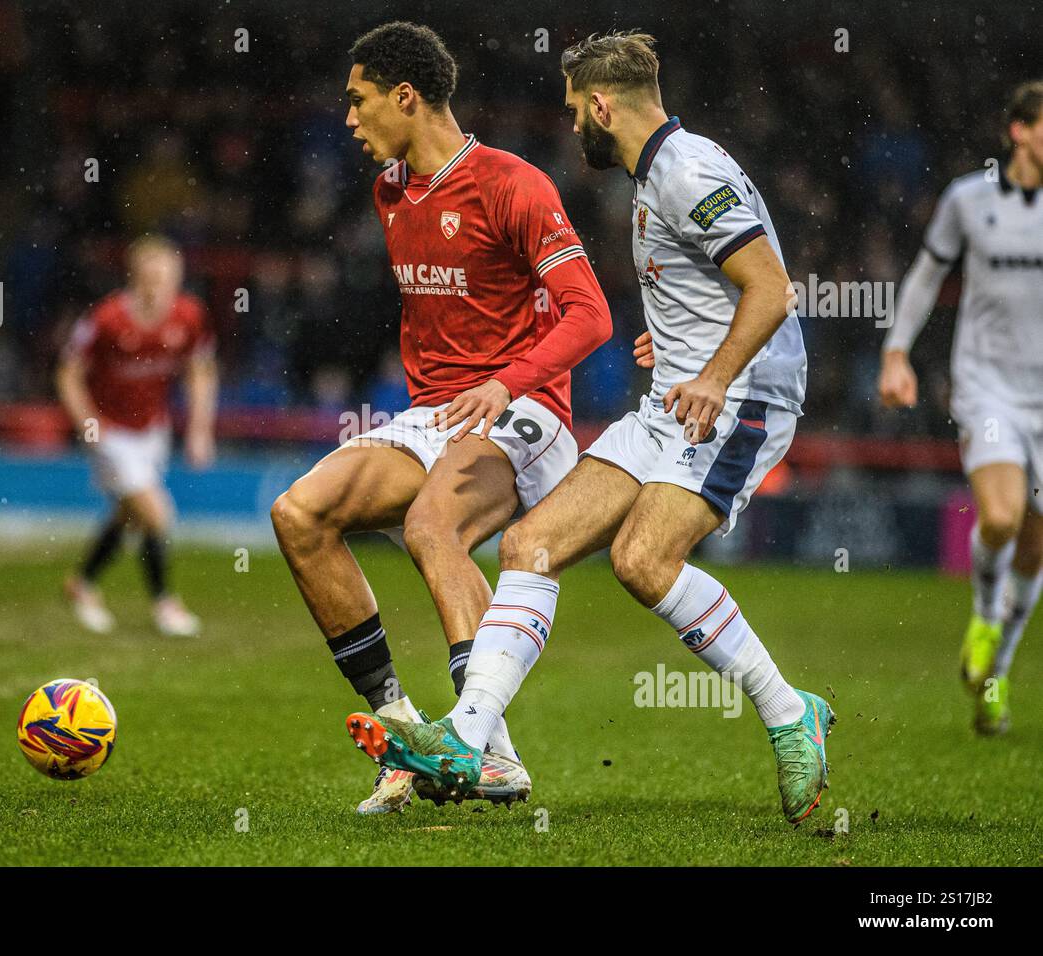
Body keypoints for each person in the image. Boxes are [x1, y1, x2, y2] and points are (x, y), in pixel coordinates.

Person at [347, 31, 834, 825]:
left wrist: (712, 373)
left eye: (577, 112)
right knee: (527, 546)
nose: (573, 127)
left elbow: (772, 289)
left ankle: (788, 711)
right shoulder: (658, 177)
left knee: (643, 560)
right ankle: (471, 738)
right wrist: (675, 341)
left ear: (603, 105)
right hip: (672, 401)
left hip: (739, 402)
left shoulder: (685, 171)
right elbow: (717, 283)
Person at [270, 22, 614, 813]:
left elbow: (589, 316)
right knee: (300, 514)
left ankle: (485, 747)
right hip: (436, 416)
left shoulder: (512, 184)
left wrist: (507, 382)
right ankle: (402, 736)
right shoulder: (390, 188)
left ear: (405, 96)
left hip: (527, 413)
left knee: (432, 527)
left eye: (358, 102)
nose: (348, 120)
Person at [879, 80, 1043, 734]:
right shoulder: (968, 201)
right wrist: (897, 352)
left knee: (1034, 550)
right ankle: (983, 612)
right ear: (1020, 132)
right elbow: (927, 273)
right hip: (988, 388)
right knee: (1001, 518)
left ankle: (994, 673)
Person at [57, 236, 218, 637]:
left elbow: (200, 371)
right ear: (134, 278)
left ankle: (82, 582)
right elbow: (67, 373)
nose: (158, 288)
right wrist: (87, 422)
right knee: (156, 513)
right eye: (150, 279)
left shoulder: (189, 317)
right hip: (110, 432)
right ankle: (165, 604)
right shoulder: (107, 319)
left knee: (129, 515)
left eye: (166, 279)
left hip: (152, 429)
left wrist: (199, 430)